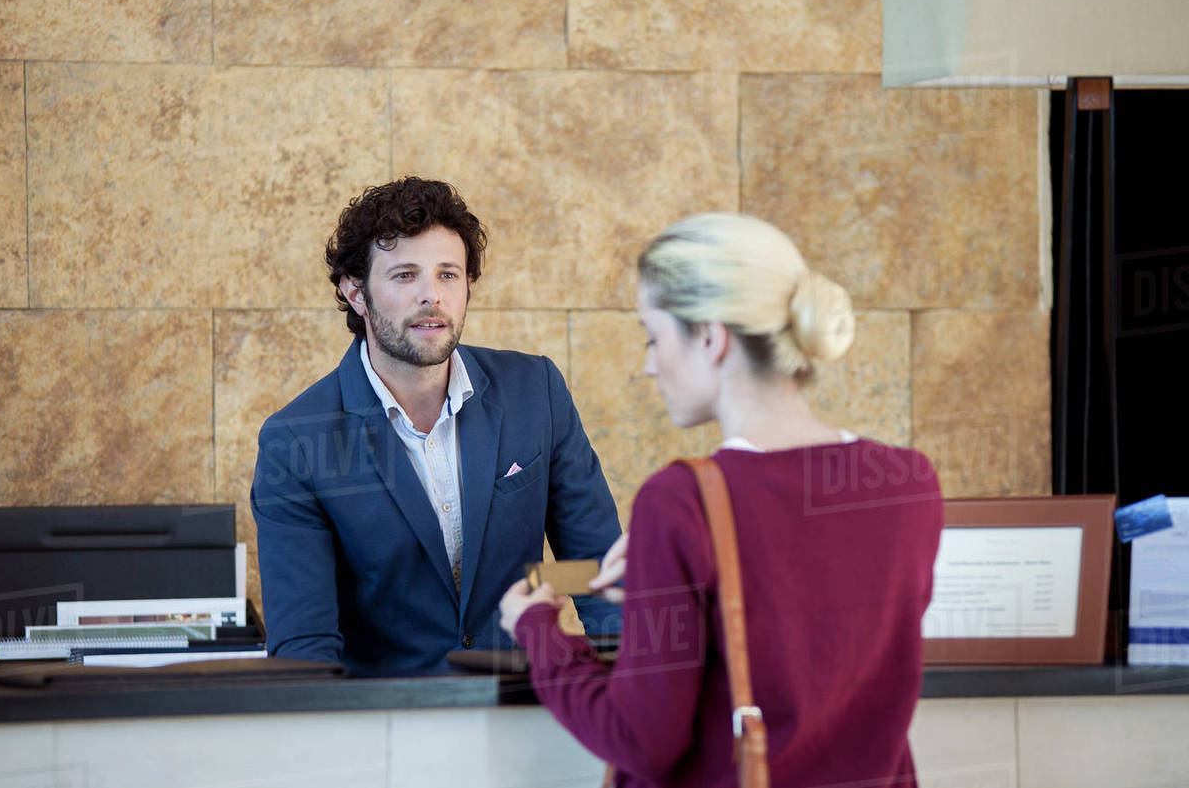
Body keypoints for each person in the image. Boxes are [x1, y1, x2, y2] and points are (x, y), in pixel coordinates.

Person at [500, 213, 944, 787]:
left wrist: (538, 626)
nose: (649, 364)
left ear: (711, 338)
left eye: (654, 337)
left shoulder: (680, 500)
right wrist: (669, 569)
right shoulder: (909, 482)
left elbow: (638, 739)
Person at [252, 176, 621, 676]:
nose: (433, 296)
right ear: (356, 293)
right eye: (405, 276)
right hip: (388, 725)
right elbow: (305, 645)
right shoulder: (295, 442)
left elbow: (595, 569)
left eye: (448, 274)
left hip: (525, 703)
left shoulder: (536, 391)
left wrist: (633, 698)